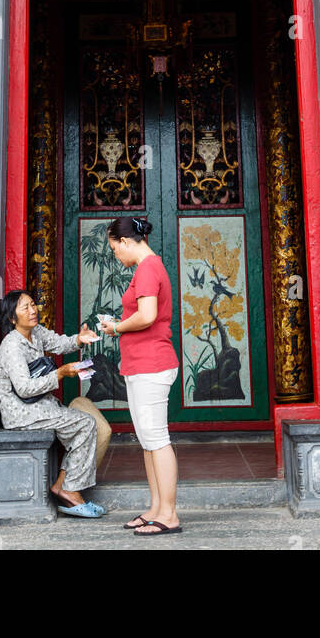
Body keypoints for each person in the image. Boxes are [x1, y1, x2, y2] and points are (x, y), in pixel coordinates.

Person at [99, 215, 181, 537]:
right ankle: (156, 508)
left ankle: (169, 514)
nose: (116, 256)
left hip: (152, 364)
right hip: (142, 365)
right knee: (148, 441)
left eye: (114, 249)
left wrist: (116, 327)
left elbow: (146, 316)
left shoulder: (147, 268)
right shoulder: (148, 267)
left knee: (157, 440)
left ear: (124, 242)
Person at [0, 289, 110, 518]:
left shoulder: (35, 332)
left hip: (42, 405)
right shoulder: (12, 346)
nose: (33, 310)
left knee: (84, 420)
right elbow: (24, 388)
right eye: (25, 307)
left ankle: (62, 485)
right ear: (12, 318)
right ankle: (71, 491)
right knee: (85, 424)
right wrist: (59, 374)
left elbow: (58, 343)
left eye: (32, 304)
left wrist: (79, 339)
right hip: (22, 412)